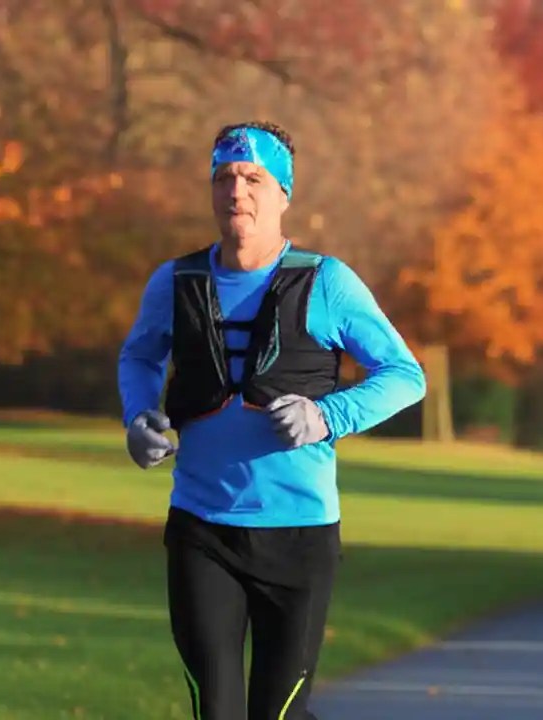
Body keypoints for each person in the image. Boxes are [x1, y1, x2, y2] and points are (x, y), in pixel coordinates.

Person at [117, 120, 426, 720]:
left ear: (283, 193)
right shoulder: (177, 282)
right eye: (225, 177)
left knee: (278, 713)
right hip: (201, 530)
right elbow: (139, 355)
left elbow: (404, 374)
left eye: (254, 178)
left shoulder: (326, 282)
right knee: (218, 709)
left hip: (300, 535)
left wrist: (327, 415)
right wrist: (138, 418)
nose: (237, 191)